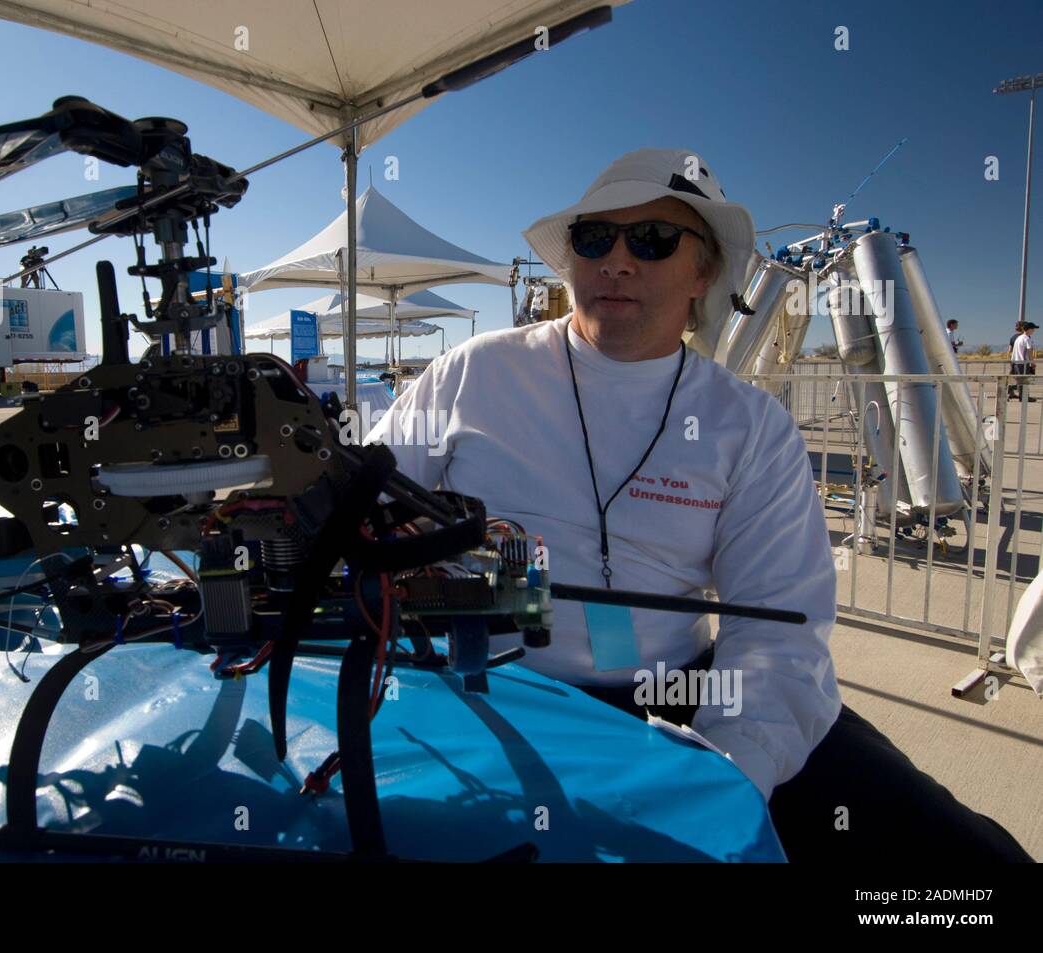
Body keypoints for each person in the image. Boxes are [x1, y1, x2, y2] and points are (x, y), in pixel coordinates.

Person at [365, 148, 1031, 862]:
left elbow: (779, 628)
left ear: (704, 272)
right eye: (596, 239)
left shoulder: (748, 424)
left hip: (674, 702)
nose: (618, 261)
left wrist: (722, 775)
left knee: (963, 860)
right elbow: (354, 501)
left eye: (651, 240)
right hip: (489, 699)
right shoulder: (473, 371)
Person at [1010, 322, 1036, 401]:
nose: (1034, 331)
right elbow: (1029, 350)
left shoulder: (1019, 338)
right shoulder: (1027, 338)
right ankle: (1024, 397)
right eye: (1033, 329)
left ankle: (1020, 395)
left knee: (1020, 380)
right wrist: (1032, 362)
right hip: (1023, 363)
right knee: (1024, 380)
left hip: (1016, 362)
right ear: (1029, 330)